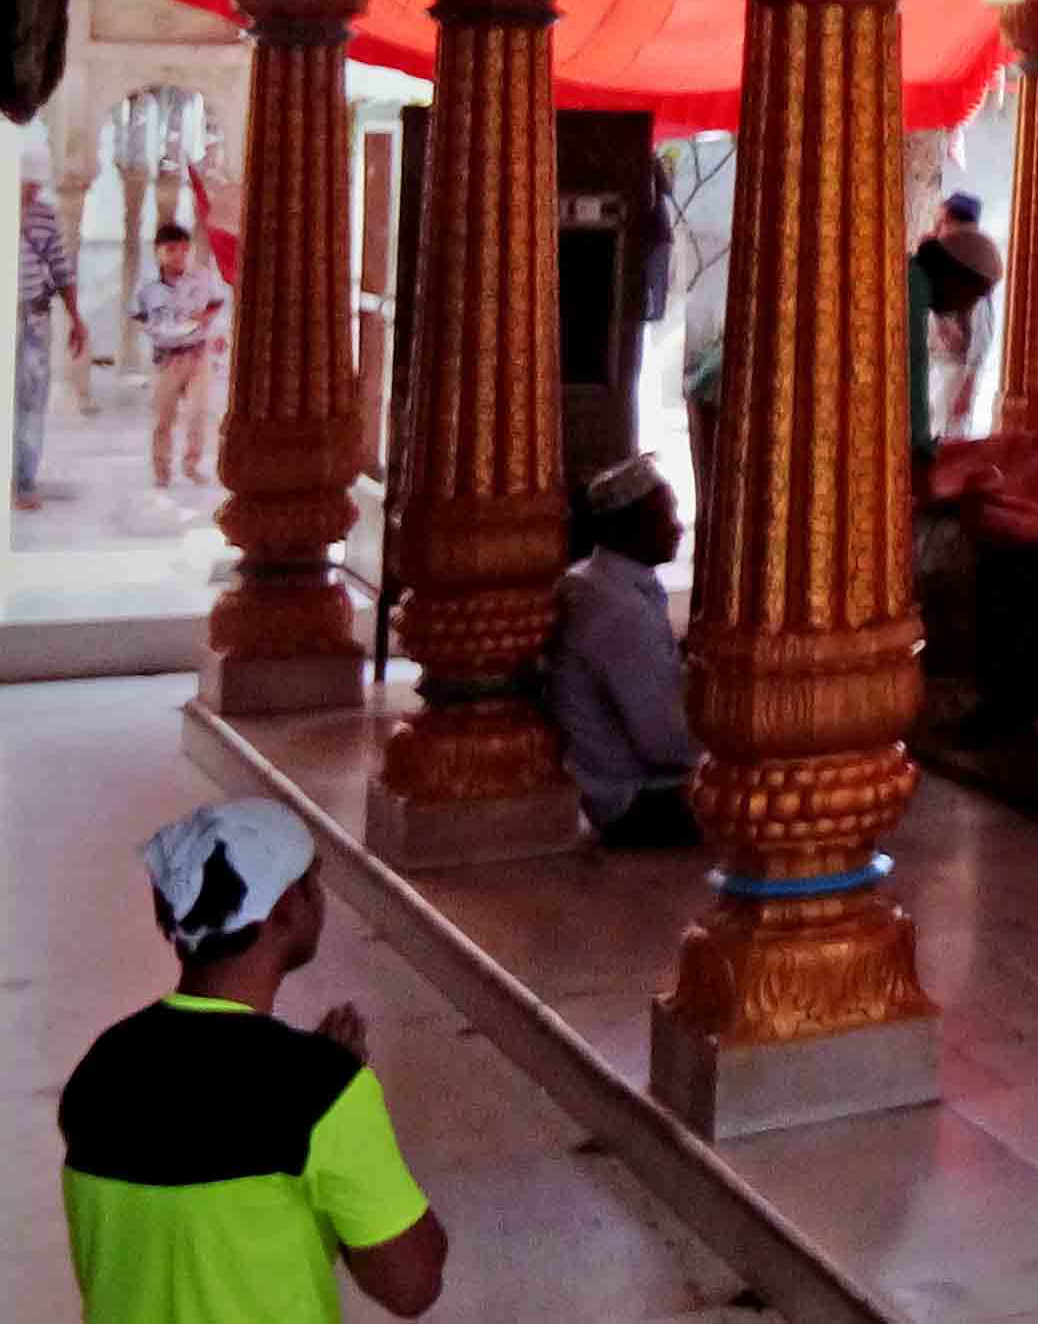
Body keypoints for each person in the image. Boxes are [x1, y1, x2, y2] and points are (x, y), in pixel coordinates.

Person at [61, 798, 448, 1321]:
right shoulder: (319, 1092)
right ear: (287, 904)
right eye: (313, 879)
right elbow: (413, 1285)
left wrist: (315, 1078)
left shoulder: (102, 1068)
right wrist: (332, 1095)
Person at [543, 454, 703, 848]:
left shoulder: (595, 582)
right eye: (664, 518)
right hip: (635, 802)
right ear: (623, 530)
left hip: (616, 791)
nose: (677, 528)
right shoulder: (617, 609)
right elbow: (665, 743)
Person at [130, 221, 227, 489]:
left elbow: (217, 303)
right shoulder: (147, 286)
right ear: (158, 252)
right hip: (166, 358)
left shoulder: (201, 277)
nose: (178, 256)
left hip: (197, 354)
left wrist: (206, 322)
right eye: (171, 249)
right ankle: (162, 470)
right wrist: (160, 329)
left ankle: (191, 465)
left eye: (184, 249)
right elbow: (138, 317)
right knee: (163, 418)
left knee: (198, 413)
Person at [20, 173, 90, 510]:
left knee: (30, 402)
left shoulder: (44, 214)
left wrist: (76, 319)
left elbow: (61, 269)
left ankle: (23, 482)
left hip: (32, 318)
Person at [926, 193, 1003, 443]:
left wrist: (967, 389)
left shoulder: (975, 282)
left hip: (955, 373)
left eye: (942, 224)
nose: (937, 231)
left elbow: (981, 339)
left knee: (949, 440)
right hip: (935, 369)